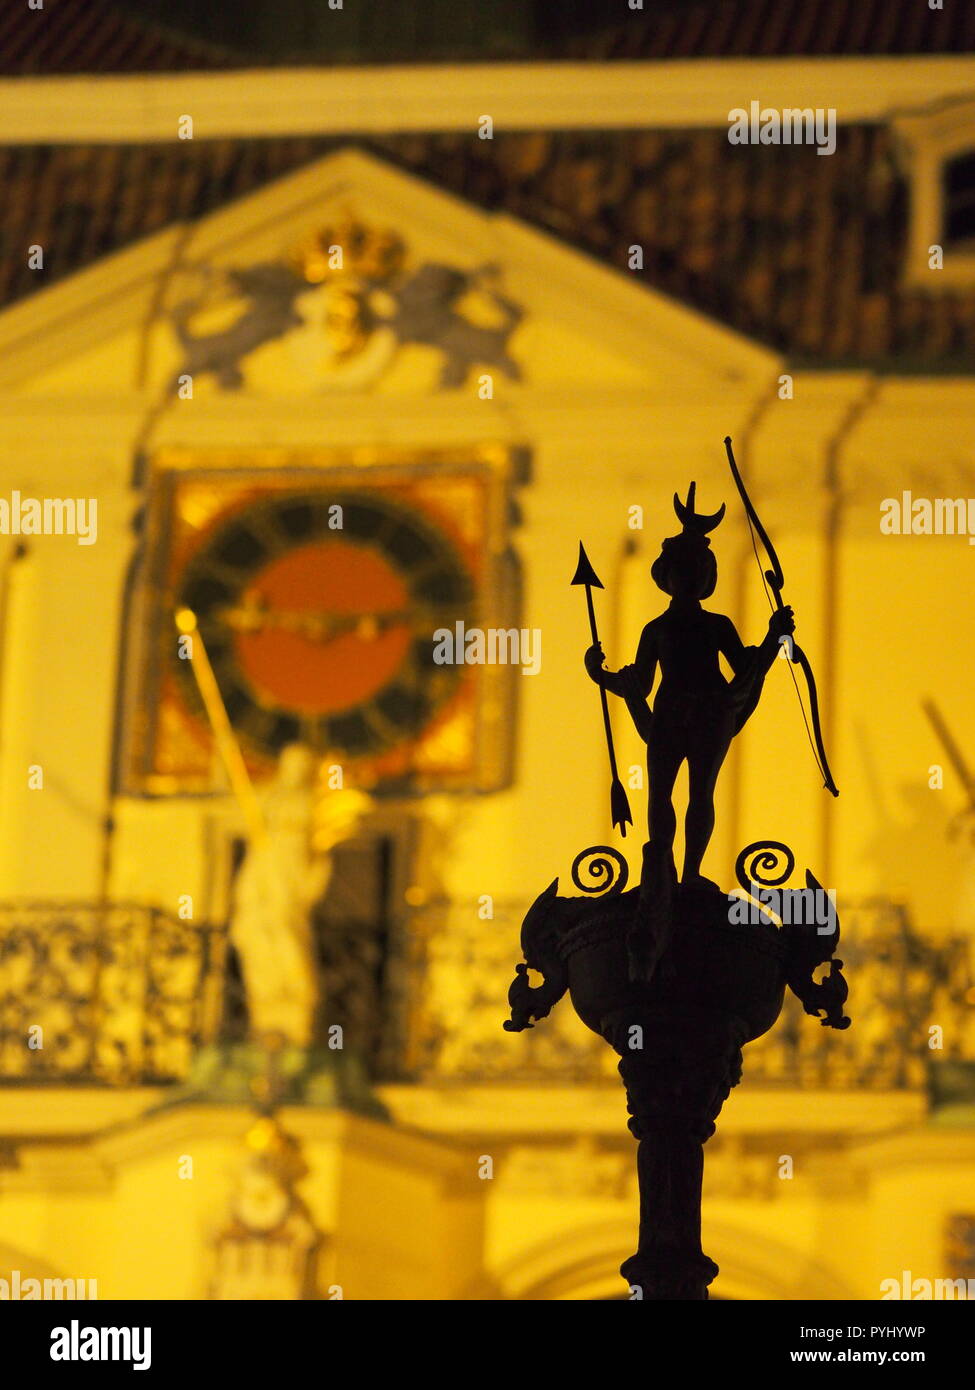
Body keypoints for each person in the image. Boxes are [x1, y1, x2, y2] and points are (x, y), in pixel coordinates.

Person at [585, 484, 795, 897]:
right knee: (660, 794)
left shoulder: (717, 625)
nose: (690, 577)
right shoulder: (656, 629)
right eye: (684, 569)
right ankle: (661, 868)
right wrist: (600, 675)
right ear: (667, 576)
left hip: (710, 713)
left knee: (701, 792)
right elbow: (640, 683)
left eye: (698, 570)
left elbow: (748, 669)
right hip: (672, 715)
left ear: (707, 578)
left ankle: (691, 872)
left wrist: (775, 637)